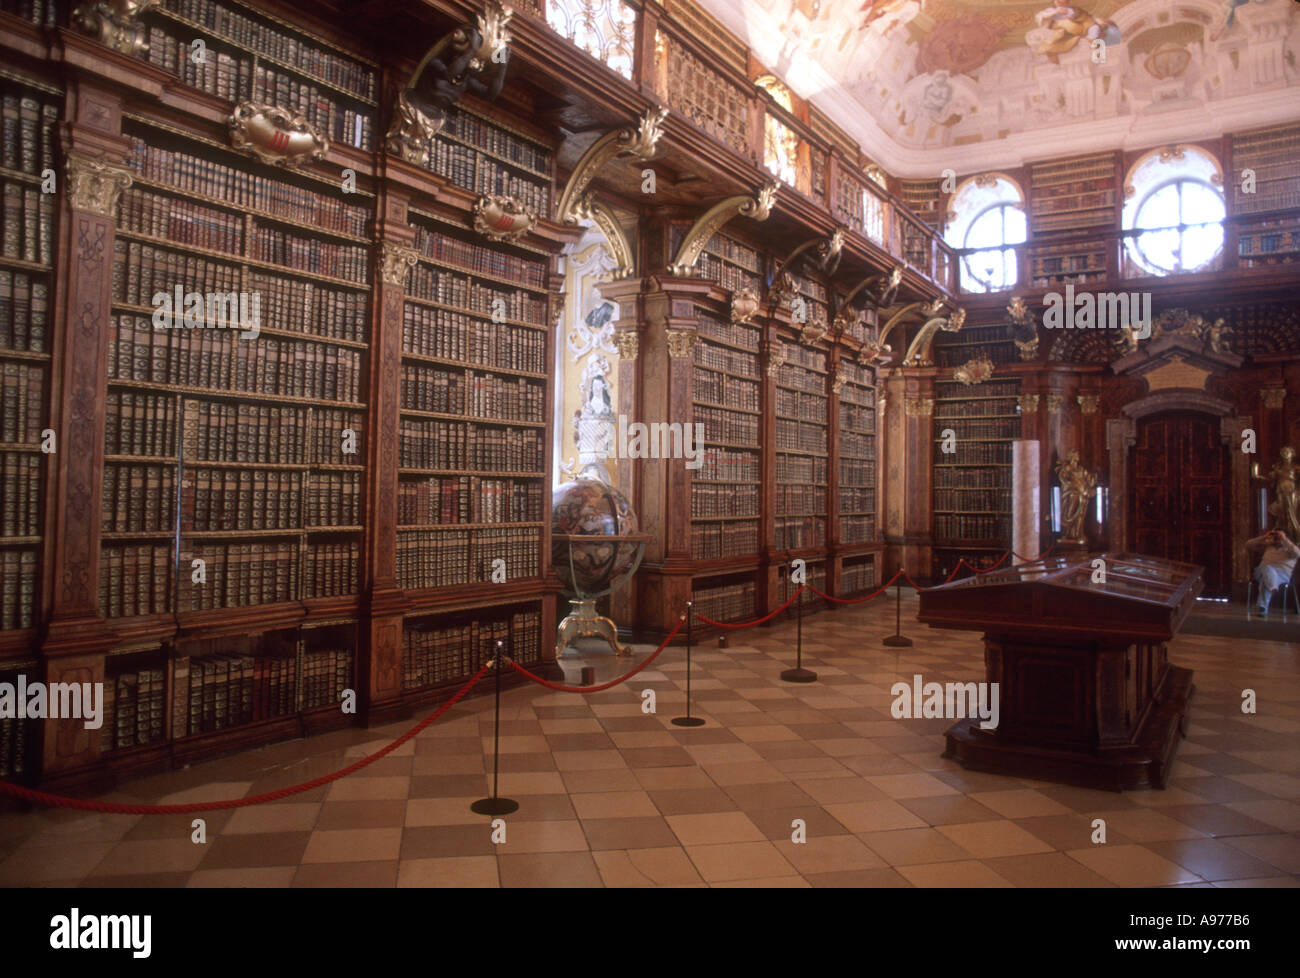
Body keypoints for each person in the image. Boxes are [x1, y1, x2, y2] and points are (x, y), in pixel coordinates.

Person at [1248, 529, 1299, 615]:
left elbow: (1298, 554)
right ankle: (1272, 585)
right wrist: (1264, 537)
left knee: (1265, 579)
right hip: (1262, 570)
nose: (1277, 538)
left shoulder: (1291, 548)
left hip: (1282, 574)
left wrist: (1284, 539)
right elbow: (1248, 545)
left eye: (1279, 536)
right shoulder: (1268, 546)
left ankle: (1263, 608)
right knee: (1267, 569)